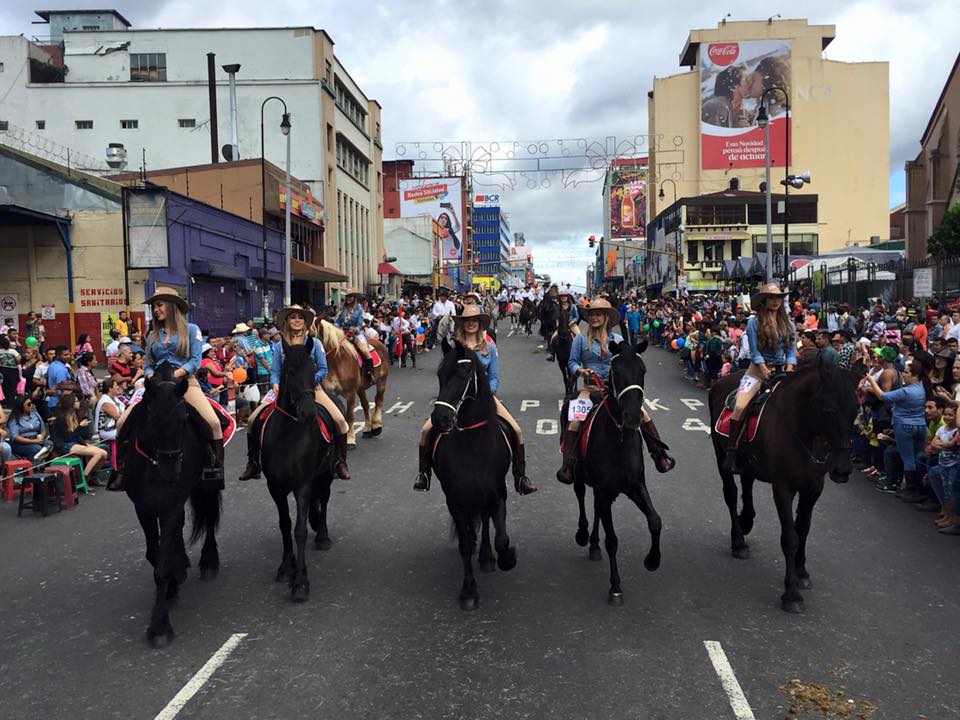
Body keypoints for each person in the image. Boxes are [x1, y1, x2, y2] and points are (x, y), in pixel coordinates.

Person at [413, 305, 537, 495]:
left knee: (517, 431)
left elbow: (494, 376)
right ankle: (424, 473)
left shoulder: (489, 347)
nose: (471, 324)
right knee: (425, 431)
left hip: (485, 398)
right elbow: (447, 374)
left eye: (474, 321)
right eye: (467, 321)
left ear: (479, 324)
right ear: (462, 324)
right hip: (456, 400)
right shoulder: (454, 347)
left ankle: (520, 477)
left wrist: (487, 392)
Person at [556, 298, 674, 484]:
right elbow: (572, 362)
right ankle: (568, 465)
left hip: (615, 391)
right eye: (591, 315)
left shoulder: (618, 340)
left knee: (643, 415)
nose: (594, 318)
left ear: (606, 317)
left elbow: (627, 364)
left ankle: (659, 455)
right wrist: (580, 371)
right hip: (589, 389)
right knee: (575, 421)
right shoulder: (580, 339)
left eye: (598, 314)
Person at [116, 286, 224, 485]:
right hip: (157, 385)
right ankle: (121, 470)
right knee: (122, 422)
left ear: (172, 306)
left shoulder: (192, 330)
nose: (156, 310)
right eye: (154, 307)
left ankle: (215, 468)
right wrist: (150, 376)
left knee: (213, 423)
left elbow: (195, 360)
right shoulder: (152, 335)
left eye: (159, 305)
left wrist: (176, 375)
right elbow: (148, 364)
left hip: (185, 383)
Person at [239, 305, 350, 482]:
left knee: (340, 421)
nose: (296, 320)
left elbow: (323, 369)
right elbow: (275, 370)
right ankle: (253, 463)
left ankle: (340, 462)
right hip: (283, 390)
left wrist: (309, 381)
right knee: (252, 420)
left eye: (300, 317)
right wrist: (275, 383)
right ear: (287, 321)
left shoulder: (315, 343)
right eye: (293, 317)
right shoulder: (278, 346)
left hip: (311, 389)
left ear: (305, 322)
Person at [722, 283, 797, 472]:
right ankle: (732, 451)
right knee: (740, 406)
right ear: (764, 301)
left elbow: (791, 351)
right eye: (771, 298)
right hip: (756, 371)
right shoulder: (754, 323)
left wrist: (789, 367)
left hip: (783, 370)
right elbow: (754, 352)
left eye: (778, 297)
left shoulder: (789, 324)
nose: (775, 301)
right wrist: (763, 369)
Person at [861, 359, 932, 504]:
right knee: (918, 457)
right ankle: (918, 489)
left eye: (906, 372)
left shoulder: (906, 391)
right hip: (920, 425)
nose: (903, 375)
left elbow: (883, 396)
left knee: (908, 458)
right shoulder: (922, 387)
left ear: (914, 375)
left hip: (904, 425)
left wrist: (871, 381)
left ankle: (910, 489)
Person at [50, 392, 108, 485]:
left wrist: (85, 443)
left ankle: (93, 476)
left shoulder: (74, 416)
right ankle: (84, 478)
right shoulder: (60, 419)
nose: (78, 403)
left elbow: (78, 435)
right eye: (76, 401)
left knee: (104, 453)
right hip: (64, 445)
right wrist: (80, 427)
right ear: (70, 404)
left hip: (74, 443)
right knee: (97, 453)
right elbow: (68, 436)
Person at [336, 290, 374, 376]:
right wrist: (335, 326)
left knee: (364, 351)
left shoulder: (360, 310)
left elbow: (360, 324)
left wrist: (355, 329)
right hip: (342, 333)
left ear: (355, 298)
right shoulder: (343, 309)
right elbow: (338, 321)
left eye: (351, 296)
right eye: (348, 296)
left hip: (355, 334)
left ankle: (370, 373)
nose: (349, 298)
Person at [7, 394, 51, 460]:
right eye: (29, 404)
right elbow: (15, 437)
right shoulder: (14, 418)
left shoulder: (35, 414)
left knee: (50, 443)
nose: (32, 405)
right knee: (37, 449)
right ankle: (34, 462)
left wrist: (41, 437)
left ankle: (42, 459)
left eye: (32, 403)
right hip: (21, 444)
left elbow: (43, 429)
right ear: (21, 406)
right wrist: (33, 441)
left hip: (36, 439)